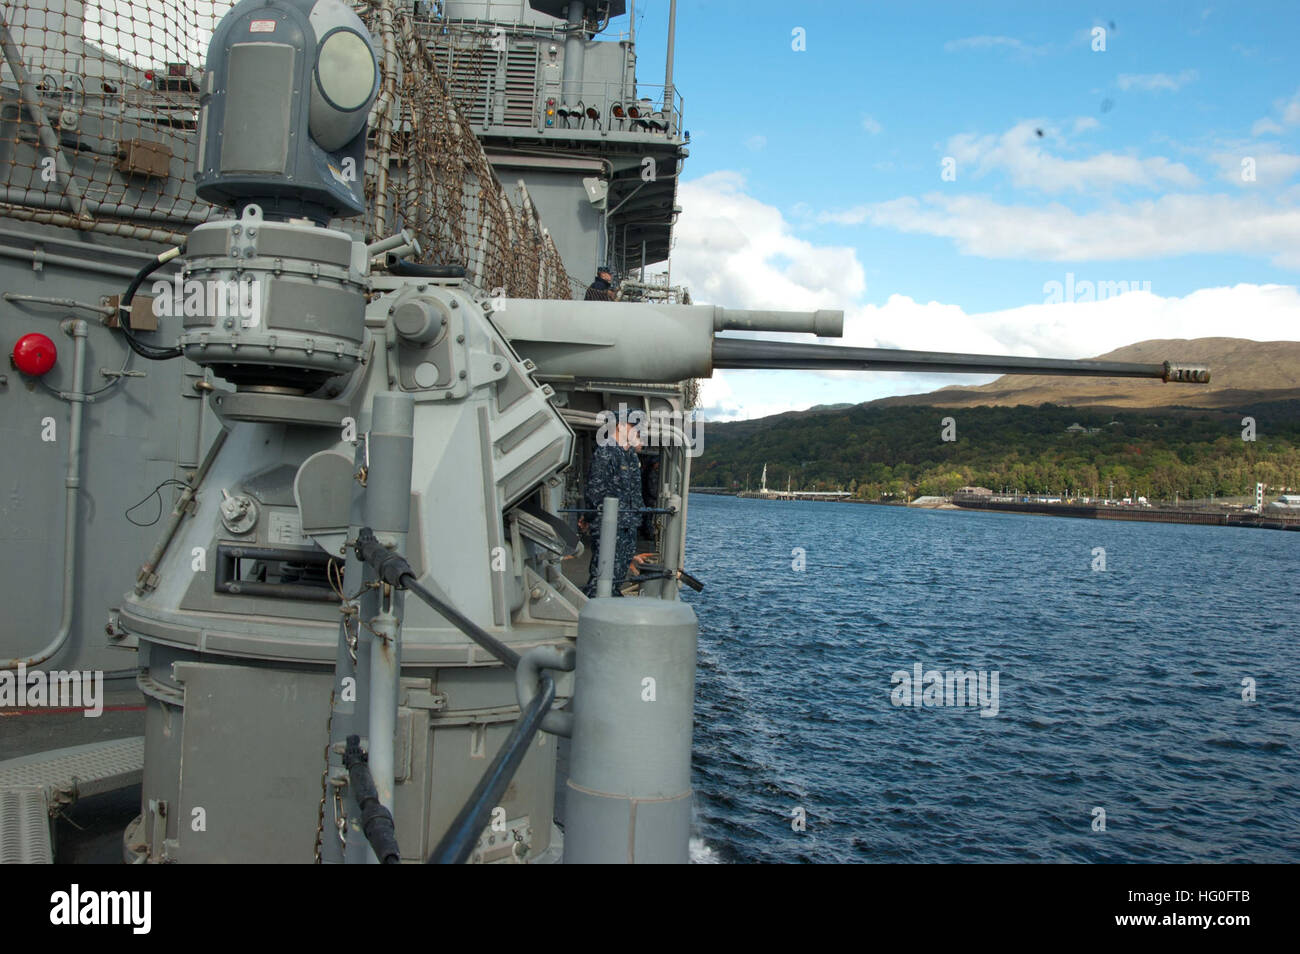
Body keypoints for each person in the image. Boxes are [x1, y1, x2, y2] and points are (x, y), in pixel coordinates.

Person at [583, 414, 648, 596]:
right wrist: (595, 520)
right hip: (610, 526)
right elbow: (595, 492)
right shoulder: (606, 452)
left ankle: (611, 602)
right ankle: (594, 610)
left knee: (618, 574)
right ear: (620, 426)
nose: (638, 431)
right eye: (634, 426)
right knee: (602, 575)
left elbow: (635, 493)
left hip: (629, 525)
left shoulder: (631, 457)